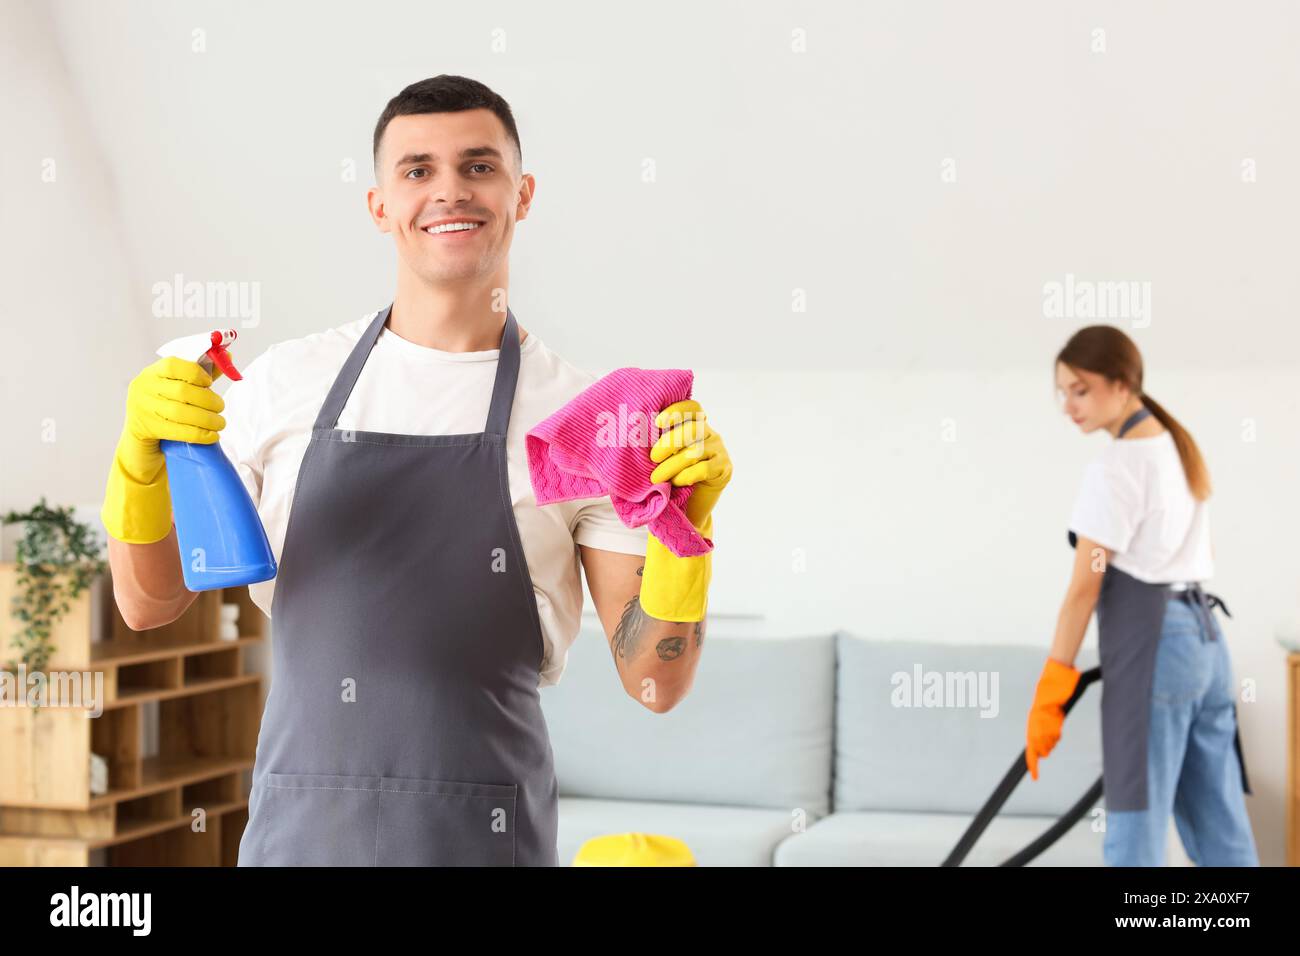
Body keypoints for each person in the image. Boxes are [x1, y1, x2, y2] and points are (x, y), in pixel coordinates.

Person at [99, 75, 733, 866]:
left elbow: (654, 680)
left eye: (478, 166)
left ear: (521, 192)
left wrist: (686, 529)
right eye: (416, 170)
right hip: (302, 838)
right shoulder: (284, 385)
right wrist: (138, 466)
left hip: (480, 840)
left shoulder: (583, 419)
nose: (448, 192)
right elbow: (148, 602)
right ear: (379, 204)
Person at [1024, 324, 1257, 866]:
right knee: (1220, 830)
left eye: (1080, 389)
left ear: (1123, 383)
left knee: (1136, 829)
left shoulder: (1117, 467)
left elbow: (1085, 587)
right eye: (1063, 392)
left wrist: (1053, 685)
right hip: (1205, 642)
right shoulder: (1176, 447)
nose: (1068, 406)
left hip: (1155, 650)